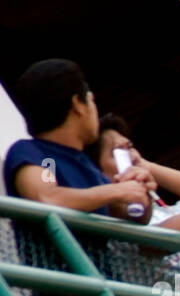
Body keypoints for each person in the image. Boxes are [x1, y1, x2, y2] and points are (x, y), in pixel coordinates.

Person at [4, 59, 152, 219]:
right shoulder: (39, 154)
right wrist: (117, 191)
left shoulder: (89, 167)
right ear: (78, 104)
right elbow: (46, 197)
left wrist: (140, 193)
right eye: (91, 100)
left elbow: (132, 217)